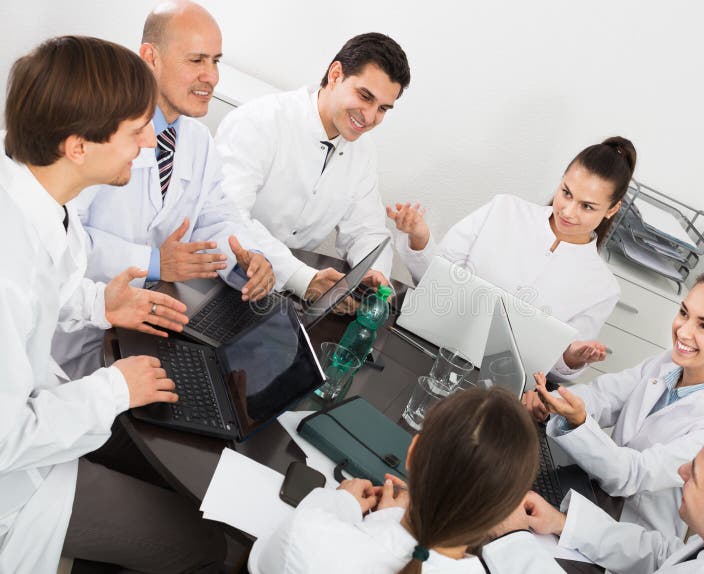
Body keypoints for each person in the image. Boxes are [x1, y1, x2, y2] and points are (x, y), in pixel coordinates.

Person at [0, 35, 224, 573]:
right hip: (18, 478)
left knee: (182, 472)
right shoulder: (7, 259)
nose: (150, 141)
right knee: (204, 547)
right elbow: (8, 440)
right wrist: (115, 386)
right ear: (78, 147)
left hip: (50, 409)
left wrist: (103, 303)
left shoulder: (38, 201)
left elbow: (47, 286)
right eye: (135, 129)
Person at [55, 0, 287, 378]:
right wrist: (154, 261)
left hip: (142, 326)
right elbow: (63, 234)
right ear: (151, 57)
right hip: (70, 335)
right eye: (196, 60)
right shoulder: (99, 130)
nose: (211, 76)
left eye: (216, 61)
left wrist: (247, 258)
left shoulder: (198, 141)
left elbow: (216, 217)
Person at [524, 267, 704, 538]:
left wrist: (577, 421)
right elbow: (604, 396)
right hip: (590, 486)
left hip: (625, 530)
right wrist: (549, 401)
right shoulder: (669, 362)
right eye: (684, 313)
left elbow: (632, 476)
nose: (683, 332)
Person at [388, 137, 636, 378]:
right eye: (566, 193)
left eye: (587, 206)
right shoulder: (504, 209)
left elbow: (557, 366)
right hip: (427, 346)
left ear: (612, 209)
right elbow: (435, 280)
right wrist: (419, 237)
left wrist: (573, 357)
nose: (568, 211)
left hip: (495, 388)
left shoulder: (602, 288)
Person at [248, 387, 566, 573]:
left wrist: (342, 503)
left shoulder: (308, 534)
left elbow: (263, 560)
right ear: (507, 511)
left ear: (412, 453)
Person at [215, 32, 411, 300]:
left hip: (277, 294)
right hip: (217, 275)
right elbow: (228, 216)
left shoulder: (363, 153)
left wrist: (374, 275)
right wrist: (300, 277)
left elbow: (367, 230)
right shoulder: (259, 121)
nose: (369, 117)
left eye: (383, 109)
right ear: (335, 74)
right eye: (365, 96)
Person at [523, 423, 704, 573]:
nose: (681, 471)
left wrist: (509, 542)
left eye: (694, 476)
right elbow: (668, 556)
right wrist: (563, 522)